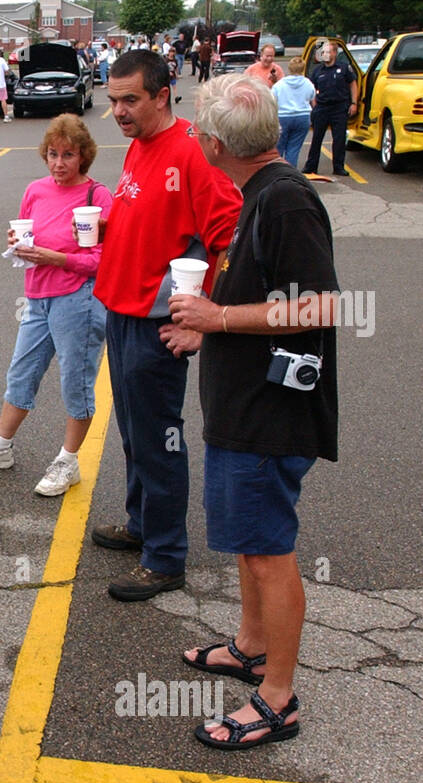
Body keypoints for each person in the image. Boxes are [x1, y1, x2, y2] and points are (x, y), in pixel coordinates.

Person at [162, 75, 339, 749]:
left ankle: (277, 698)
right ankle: (252, 646)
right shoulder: (257, 193)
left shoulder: (286, 202)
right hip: (244, 410)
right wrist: (206, 329)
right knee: (247, 541)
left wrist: (218, 314)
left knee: (268, 551)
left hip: (271, 415)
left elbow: (323, 307)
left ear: (212, 143)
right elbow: (266, 293)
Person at [92, 50, 242, 601]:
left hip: (156, 324)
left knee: (159, 442)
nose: (119, 111)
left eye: (130, 99)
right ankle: (141, 525)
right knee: (134, 436)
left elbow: (229, 241)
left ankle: (165, 557)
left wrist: (205, 321)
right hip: (119, 311)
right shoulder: (140, 144)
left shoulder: (193, 152)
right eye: (112, 101)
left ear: (163, 95)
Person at [0, 114, 114, 497]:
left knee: (75, 383)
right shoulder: (36, 190)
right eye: (53, 154)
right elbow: (26, 233)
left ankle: (68, 461)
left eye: (68, 155)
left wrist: (55, 257)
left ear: (84, 157)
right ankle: (0, 445)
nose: (59, 163)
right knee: (21, 373)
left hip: (79, 299)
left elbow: (104, 261)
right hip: (37, 296)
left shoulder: (98, 198)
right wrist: (18, 242)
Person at [302, 41, 358, 177]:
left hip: (339, 108)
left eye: (327, 52)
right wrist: (314, 104)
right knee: (316, 139)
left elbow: (353, 84)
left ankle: (338, 167)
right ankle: (311, 166)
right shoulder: (317, 71)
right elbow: (311, 88)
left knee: (339, 139)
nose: (325, 55)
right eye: (323, 53)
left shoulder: (344, 68)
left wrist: (354, 103)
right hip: (321, 108)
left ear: (334, 53)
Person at [272, 57, 314, 167]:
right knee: (294, 148)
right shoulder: (308, 83)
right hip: (302, 116)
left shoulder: (280, 84)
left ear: (289, 69)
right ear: (303, 69)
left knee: (279, 147)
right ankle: (290, 173)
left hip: (283, 116)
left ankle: (278, 171)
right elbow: (311, 97)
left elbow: (272, 100)